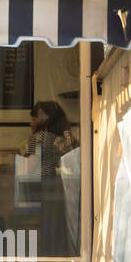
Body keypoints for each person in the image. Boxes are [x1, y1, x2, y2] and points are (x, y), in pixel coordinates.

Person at [19, 100, 78, 253]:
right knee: (60, 229)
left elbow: (29, 166)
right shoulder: (66, 140)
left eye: (33, 118)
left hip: (44, 187)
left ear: (43, 120)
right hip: (63, 187)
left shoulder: (38, 137)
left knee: (47, 229)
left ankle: (47, 257)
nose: (31, 123)